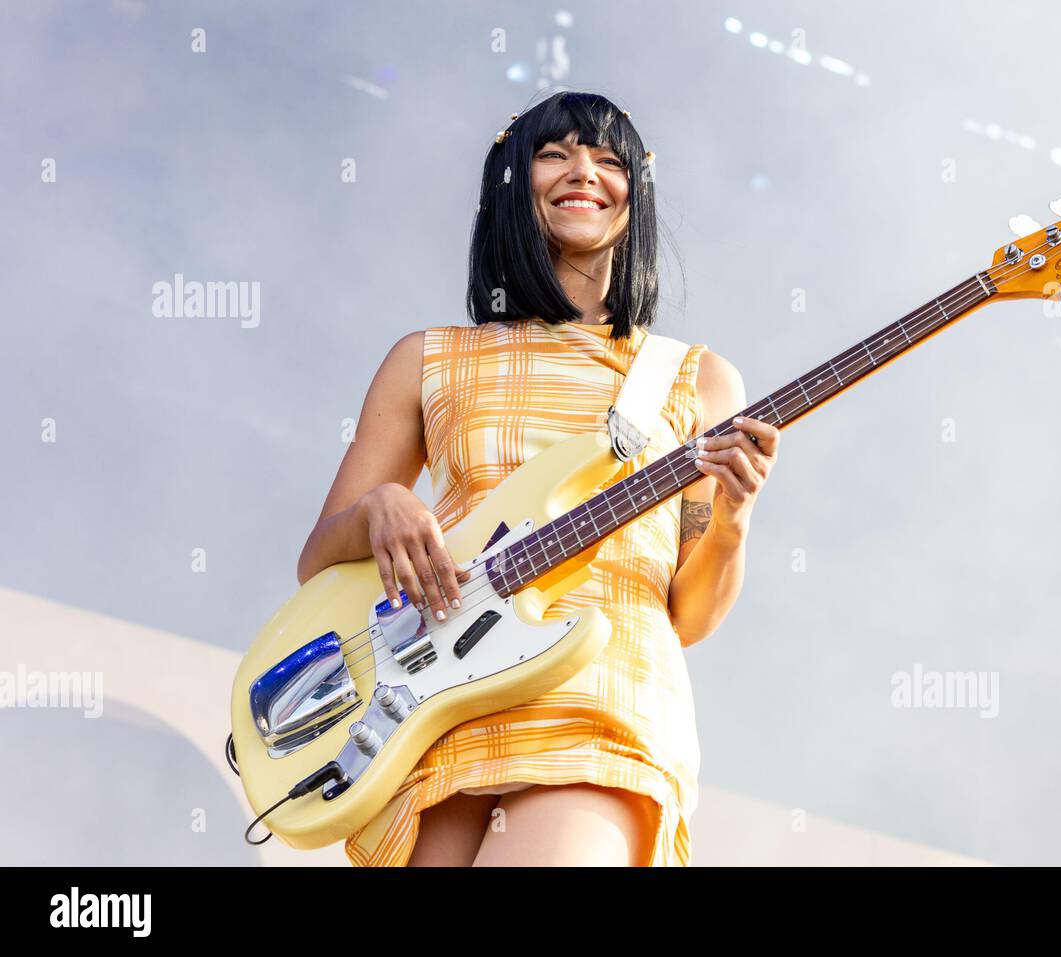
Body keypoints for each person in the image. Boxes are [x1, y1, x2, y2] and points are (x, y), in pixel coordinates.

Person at [295, 91, 778, 866]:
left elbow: (686, 614)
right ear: (514, 181)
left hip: (603, 702)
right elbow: (319, 562)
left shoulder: (695, 378)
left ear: (634, 195)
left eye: (610, 159)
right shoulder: (428, 359)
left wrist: (733, 520)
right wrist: (381, 507)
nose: (585, 170)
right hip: (439, 703)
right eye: (556, 152)